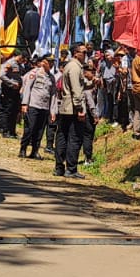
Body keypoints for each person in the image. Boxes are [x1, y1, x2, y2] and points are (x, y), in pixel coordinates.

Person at [52, 44, 90, 178]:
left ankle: (59, 167)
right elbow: (76, 89)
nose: (86, 54)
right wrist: (80, 108)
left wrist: (90, 83)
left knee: (62, 136)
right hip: (73, 108)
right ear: (76, 53)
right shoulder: (75, 67)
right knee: (74, 138)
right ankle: (71, 169)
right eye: (84, 52)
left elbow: (77, 85)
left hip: (66, 107)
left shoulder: (70, 65)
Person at [0, 53, 24, 138]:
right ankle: (5, 131)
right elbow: (1, 75)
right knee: (7, 110)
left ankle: (12, 131)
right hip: (9, 90)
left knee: (14, 111)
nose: (23, 62)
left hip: (16, 91)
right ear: (20, 57)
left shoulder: (20, 65)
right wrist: (11, 83)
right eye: (23, 59)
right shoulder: (10, 63)